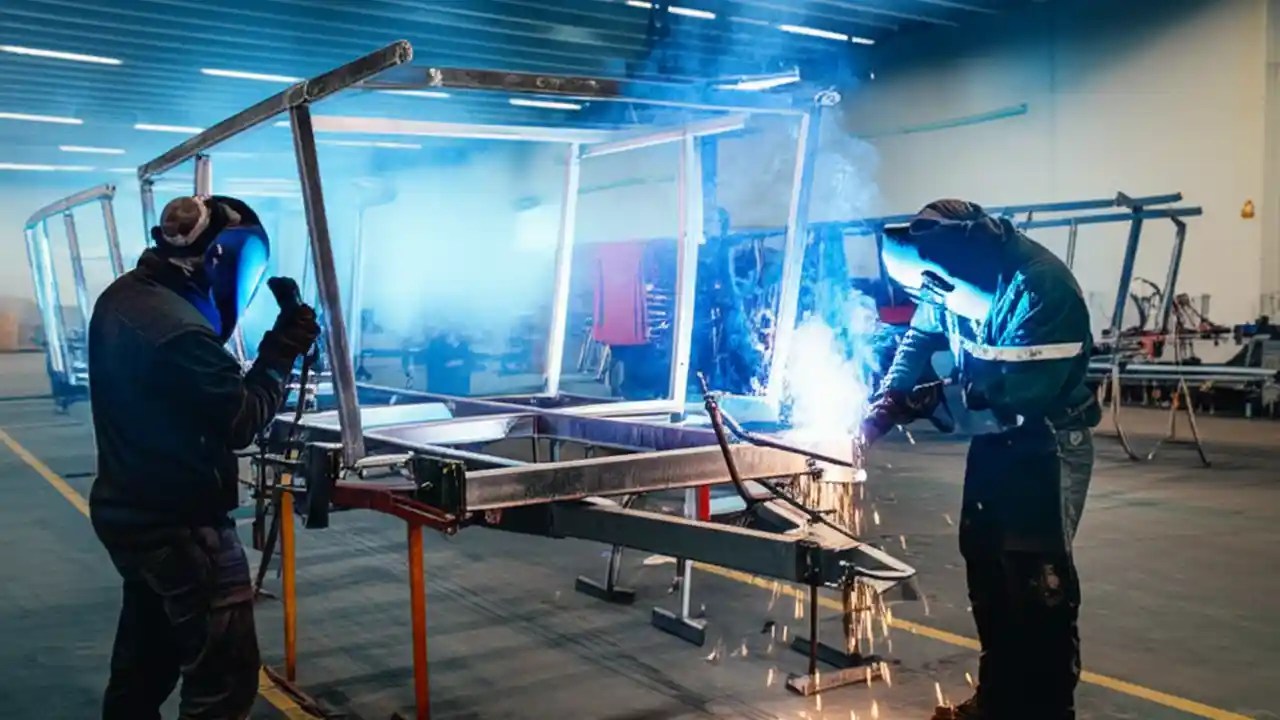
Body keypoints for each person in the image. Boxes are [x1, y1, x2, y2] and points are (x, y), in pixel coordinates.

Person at [861, 200, 1100, 720]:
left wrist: (932, 401)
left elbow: (1020, 398)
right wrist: (887, 401)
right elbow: (921, 335)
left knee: (1037, 582)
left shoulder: (1043, 288)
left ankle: (1045, 710)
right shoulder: (945, 274)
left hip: (1049, 441)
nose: (936, 293)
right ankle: (998, 702)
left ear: (975, 258)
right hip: (996, 442)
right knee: (988, 569)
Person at [88, 195, 320, 720]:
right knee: (224, 682)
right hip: (180, 527)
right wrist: (280, 353)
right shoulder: (181, 333)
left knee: (144, 666)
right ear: (215, 258)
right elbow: (240, 420)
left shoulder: (123, 297)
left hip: (127, 511)